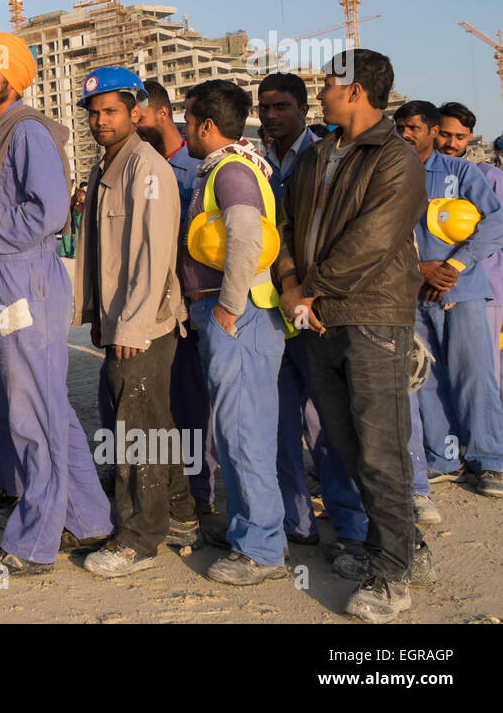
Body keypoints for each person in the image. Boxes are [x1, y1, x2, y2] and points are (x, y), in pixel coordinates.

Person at [0, 34, 113, 580]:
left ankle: (34, 543)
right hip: (3, 282)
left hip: (24, 284)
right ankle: (89, 520)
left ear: (15, 77)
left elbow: (48, 215)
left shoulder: (27, 132)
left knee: (31, 415)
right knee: (49, 411)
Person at [275, 49, 426, 622]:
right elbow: (286, 224)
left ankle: (391, 575)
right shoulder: (317, 155)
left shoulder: (395, 158)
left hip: (372, 319)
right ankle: (404, 548)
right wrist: (290, 281)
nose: (321, 89)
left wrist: (309, 290)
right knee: (346, 444)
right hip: (318, 319)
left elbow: (373, 240)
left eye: (329, 81)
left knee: (381, 447)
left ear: (357, 90)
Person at [74, 67, 191, 578]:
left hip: (143, 325)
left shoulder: (146, 168)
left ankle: (138, 538)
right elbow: (100, 254)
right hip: (119, 319)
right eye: (94, 113)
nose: (101, 121)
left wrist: (131, 326)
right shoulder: (108, 167)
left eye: (111, 111)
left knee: (132, 431)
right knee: (154, 422)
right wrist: (98, 316)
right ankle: (182, 514)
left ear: (136, 111)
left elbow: (153, 256)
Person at [180, 80, 288, 585]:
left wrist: (228, 304)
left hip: (239, 317)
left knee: (244, 434)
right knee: (235, 430)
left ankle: (262, 548)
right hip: (236, 317)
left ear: (205, 125)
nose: (184, 130)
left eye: (187, 120)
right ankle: (250, 528)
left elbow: (244, 232)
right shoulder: (232, 166)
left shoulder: (231, 169)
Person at [258, 73, 367, 554]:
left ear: (304, 110)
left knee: (327, 423)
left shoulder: (325, 156)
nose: (271, 115)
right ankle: (296, 521)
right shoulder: (253, 159)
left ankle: (350, 524)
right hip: (270, 307)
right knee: (279, 424)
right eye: (264, 107)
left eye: (281, 106)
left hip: (317, 306)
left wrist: (311, 291)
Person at [394, 100, 503, 505]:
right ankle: (445, 457)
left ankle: (490, 460)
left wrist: (454, 265)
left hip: (462, 290)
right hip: (411, 292)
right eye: (400, 127)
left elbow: (497, 221)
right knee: (424, 380)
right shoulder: (390, 174)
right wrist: (418, 269)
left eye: (415, 128)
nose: (406, 134)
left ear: (433, 132)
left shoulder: (461, 171)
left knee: (474, 374)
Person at [134, 80, 216, 537]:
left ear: (161, 114)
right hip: (146, 310)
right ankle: (157, 487)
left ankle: (197, 491)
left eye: (138, 114)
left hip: (187, 308)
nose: (132, 122)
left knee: (188, 404)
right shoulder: (133, 166)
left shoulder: (197, 169)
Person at [435, 102, 503, 415]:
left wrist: (458, 265)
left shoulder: (487, 176)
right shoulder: (422, 174)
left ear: (470, 137)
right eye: (445, 134)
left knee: (481, 374)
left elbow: (497, 228)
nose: (452, 143)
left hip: (483, 288)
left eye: (460, 137)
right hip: (433, 288)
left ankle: (489, 450)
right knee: (438, 375)